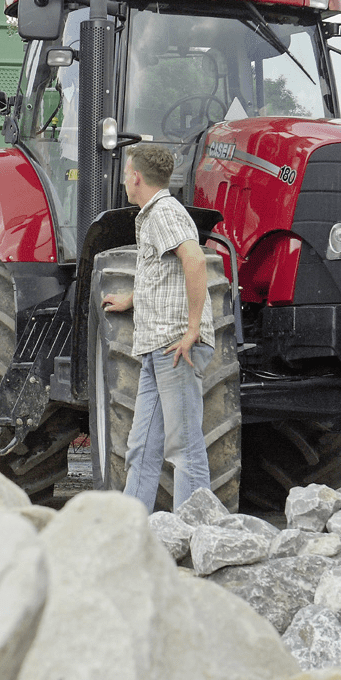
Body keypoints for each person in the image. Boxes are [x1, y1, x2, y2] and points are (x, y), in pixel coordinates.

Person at [101, 144, 215, 511]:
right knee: (142, 447)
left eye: (125, 173)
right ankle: (134, 532)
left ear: (135, 176)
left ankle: (195, 534)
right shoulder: (153, 215)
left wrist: (192, 329)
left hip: (175, 345)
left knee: (184, 448)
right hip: (157, 347)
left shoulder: (165, 212)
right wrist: (131, 299)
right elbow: (160, 272)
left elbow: (194, 260)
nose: (123, 181)